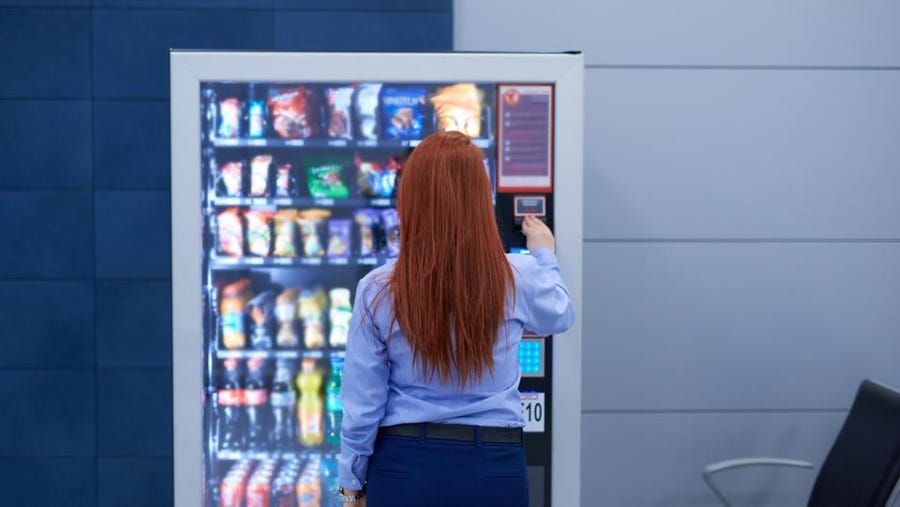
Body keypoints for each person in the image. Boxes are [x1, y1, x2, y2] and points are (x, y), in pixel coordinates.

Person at [337, 131, 574, 507]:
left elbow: (363, 403)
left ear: (410, 199)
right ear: (481, 198)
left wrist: (350, 486)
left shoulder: (378, 288)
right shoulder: (521, 275)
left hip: (402, 467)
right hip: (495, 465)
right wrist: (545, 253)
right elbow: (560, 315)